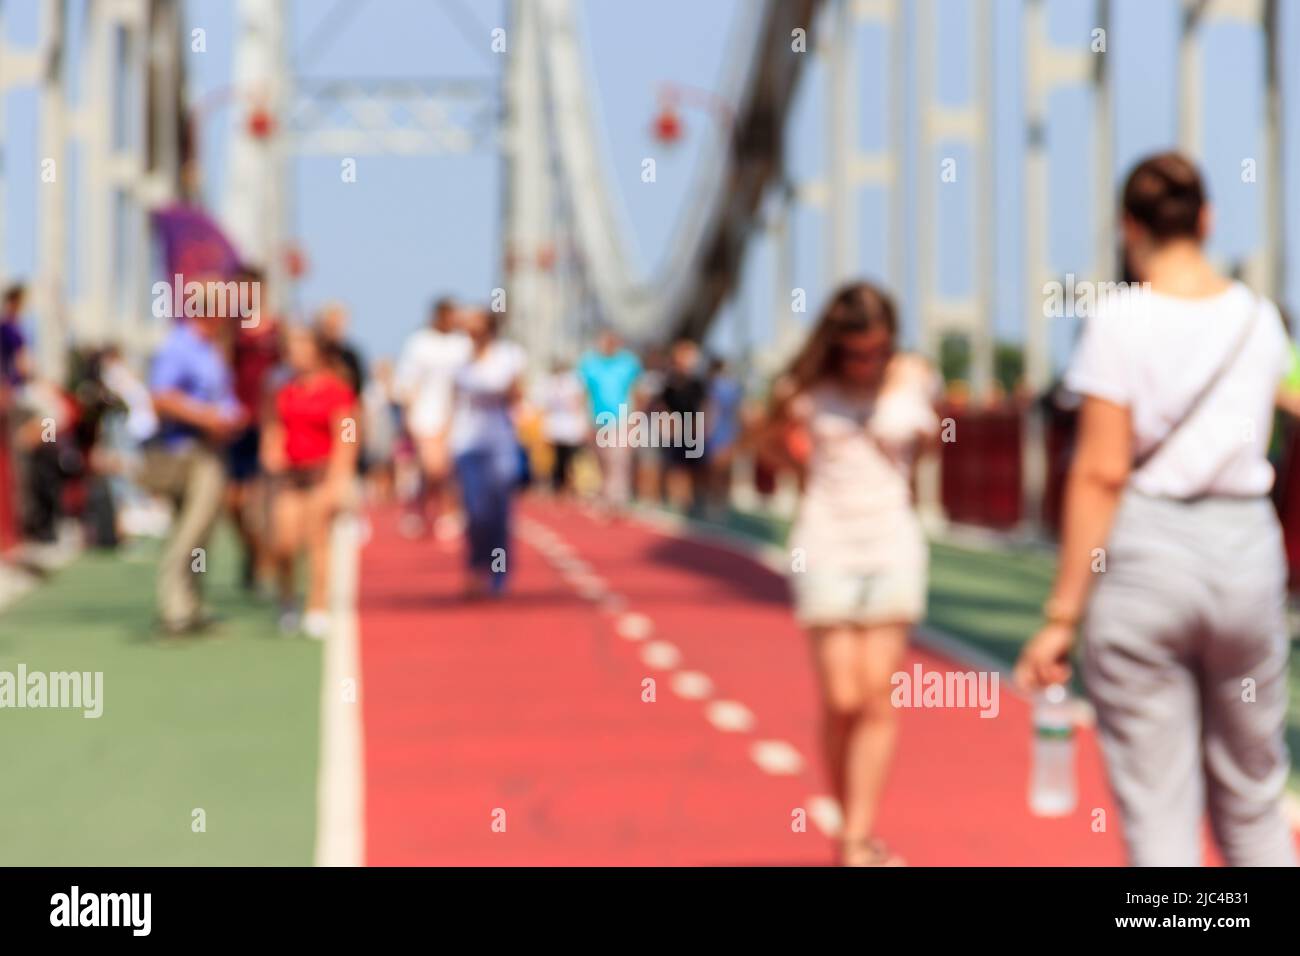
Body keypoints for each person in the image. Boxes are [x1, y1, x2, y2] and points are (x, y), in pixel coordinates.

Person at [1015, 152, 1297, 867]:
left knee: (1160, 819)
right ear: (1206, 220)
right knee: (1253, 804)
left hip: (1149, 560)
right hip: (1245, 557)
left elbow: (1102, 471)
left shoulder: (1119, 320)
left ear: (1128, 226)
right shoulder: (1258, 320)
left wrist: (1061, 618)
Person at [765, 281, 939, 866]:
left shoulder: (914, 377)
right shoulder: (805, 388)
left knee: (876, 696)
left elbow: (937, 443)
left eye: (877, 350)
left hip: (892, 542)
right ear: (835, 346)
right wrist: (796, 461)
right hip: (827, 541)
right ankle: (849, 822)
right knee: (840, 696)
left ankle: (855, 839)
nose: (867, 363)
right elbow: (766, 442)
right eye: (856, 352)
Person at [144, 297, 247, 634]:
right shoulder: (179, 346)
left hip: (211, 451)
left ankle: (193, 604)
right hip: (185, 453)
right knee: (190, 531)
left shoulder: (212, 350)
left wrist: (231, 417)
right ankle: (174, 608)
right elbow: (160, 398)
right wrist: (206, 418)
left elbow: (222, 397)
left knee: (203, 535)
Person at [261, 326, 357, 637]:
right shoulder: (283, 390)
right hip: (289, 477)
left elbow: (347, 434)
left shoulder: (336, 390)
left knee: (317, 540)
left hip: (320, 475)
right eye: (292, 348)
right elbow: (273, 427)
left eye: (303, 347)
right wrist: (271, 452)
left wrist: (338, 479)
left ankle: (317, 606)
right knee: (284, 542)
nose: (297, 355)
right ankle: (287, 598)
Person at [449, 307, 526, 597]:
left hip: (500, 441)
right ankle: (475, 564)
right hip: (466, 442)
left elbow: (517, 396)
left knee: (499, 510)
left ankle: (498, 571)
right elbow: (452, 400)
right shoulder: (457, 359)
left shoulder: (509, 356)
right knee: (475, 511)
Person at [393, 297, 471, 536]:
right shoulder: (419, 343)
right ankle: (419, 508)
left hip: (456, 414)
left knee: (450, 468)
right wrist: (407, 415)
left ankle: (448, 511)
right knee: (431, 466)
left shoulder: (463, 344)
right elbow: (408, 381)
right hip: (425, 415)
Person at [225, 267, 281, 590]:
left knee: (260, 503)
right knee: (232, 504)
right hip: (236, 426)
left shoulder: (277, 330)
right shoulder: (230, 331)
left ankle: (266, 565)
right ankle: (253, 552)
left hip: (267, 425)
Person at [577, 330, 641, 515]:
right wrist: (584, 421)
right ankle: (605, 495)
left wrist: (634, 420)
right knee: (602, 461)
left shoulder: (629, 363)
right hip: (597, 419)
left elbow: (637, 391)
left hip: (621, 419)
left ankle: (617, 500)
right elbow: (584, 393)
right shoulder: (589, 363)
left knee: (618, 460)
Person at [658, 338, 708, 511]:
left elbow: (704, 405)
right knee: (675, 465)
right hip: (674, 429)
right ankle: (676, 500)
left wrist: (701, 426)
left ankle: (689, 501)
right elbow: (663, 404)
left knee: (690, 466)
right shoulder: (670, 380)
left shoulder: (697, 383)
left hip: (693, 428)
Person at [702, 355, 743, 518]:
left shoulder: (717, 385)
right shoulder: (731, 386)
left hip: (720, 432)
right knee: (721, 470)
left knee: (717, 469)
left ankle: (716, 504)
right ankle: (719, 504)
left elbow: (711, 409)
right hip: (727, 431)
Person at [540, 358, 587, 496]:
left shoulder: (573, 382)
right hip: (556, 425)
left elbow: (578, 402)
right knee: (557, 457)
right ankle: (558, 484)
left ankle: (570, 484)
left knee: (570, 457)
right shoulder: (550, 382)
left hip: (570, 425)